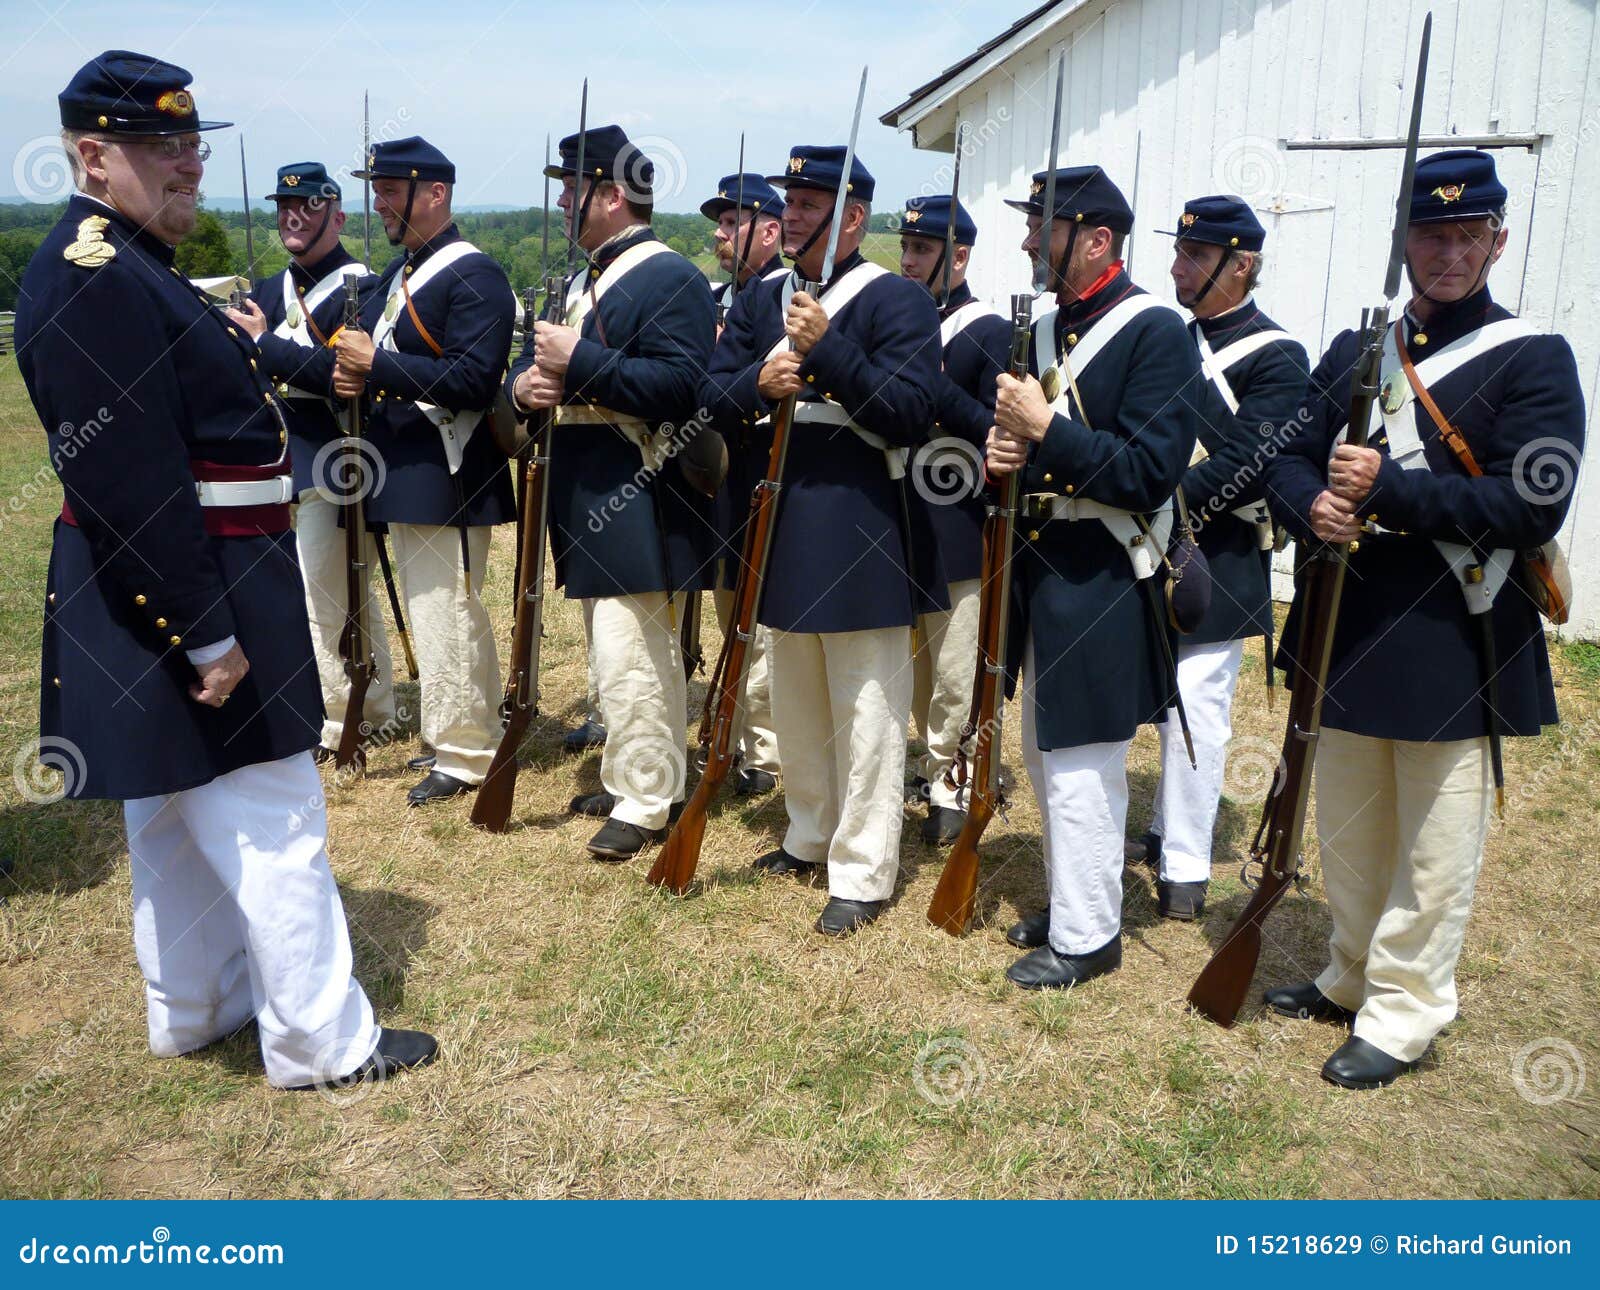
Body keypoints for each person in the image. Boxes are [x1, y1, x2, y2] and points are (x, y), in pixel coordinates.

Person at [15, 51, 434, 1089]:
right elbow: (130, 480)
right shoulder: (99, 277)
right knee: (276, 818)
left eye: (192, 144)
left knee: (168, 815)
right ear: (93, 157)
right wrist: (204, 632)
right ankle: (321, 1041)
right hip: (194, 579)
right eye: (161, 146)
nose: (188, 164)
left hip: (177, 576)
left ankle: (197, 1007)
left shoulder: (126, 262)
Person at [1264, 149, 1586, 1088]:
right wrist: (1309, 506)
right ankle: (1350, 970)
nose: (1449, 254)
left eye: (1467, 236)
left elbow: (1534, 501)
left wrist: (1390, 492)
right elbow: (1283, 455)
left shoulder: (1533, 356)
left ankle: (1405, 1010)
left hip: (1453, 628)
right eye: (1431, 236)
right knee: (1349, 823)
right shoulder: (1360, 350)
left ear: (1497, 242)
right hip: (1349, 617)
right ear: (1405, 243)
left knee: (1434, 842)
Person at [701, 144, 946, 936]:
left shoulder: (897, 300)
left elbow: (910, 411)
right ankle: (809, 832)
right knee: (797, 695)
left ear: (852, 218)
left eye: (810, 205)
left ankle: (865, 868)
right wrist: (757, 383)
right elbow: (709, 392)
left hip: (860, 522)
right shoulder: (763, 295)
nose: (793, 216)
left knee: (866, 705)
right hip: (780, 517)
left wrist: (827, 349)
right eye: (790, 203)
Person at [988, 166, 1201, 987]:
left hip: (1107, 571)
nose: (1027, 241)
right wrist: (1002, 452)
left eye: (1042, 227)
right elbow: (1025, 450)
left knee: (1082, 764)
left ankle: (1087, 937)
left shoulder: (1156, 331)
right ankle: (1075, 900)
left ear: (1097, 239)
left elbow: (1149, 472)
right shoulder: (1046, 329)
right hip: (1040, 568)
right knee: (1046, 757)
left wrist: (1045, 429)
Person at [508, 124, 718, 860]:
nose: (564, 202)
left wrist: (581, 362)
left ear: (614, 195)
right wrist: (526, 388)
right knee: (610, 654)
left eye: (574, 188)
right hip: (584, 481)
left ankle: (648, 800)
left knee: (635, 653)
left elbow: (684, 387)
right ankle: (632, 773)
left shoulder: (671, 278)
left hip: (638, 487)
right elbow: (534, 366)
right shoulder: (578, 281)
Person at [290, 136, 517, 805]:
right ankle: (467, 730)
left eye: (391, 190)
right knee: (441, 611)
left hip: (446, 469)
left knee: (446, 611)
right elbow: (344, 354)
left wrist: (377, 365)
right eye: (379, 191)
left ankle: (465, 751)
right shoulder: (400, 274)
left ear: (435, 193)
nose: (380, 204)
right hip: (404, 469)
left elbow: (475, 380)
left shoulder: (475, 275)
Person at [1123, 195, 1309, 919]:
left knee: (1197, 707)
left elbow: (1249, 462)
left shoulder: (1278, 355)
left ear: (1242, 265)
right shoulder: (1164, 338)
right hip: (1148, 543)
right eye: (1179, 252)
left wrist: (1150, 497)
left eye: (1196, 256)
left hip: (1220, 552)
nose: (1178, 267)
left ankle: (1186, 866)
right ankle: (1161, 828)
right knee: (1153, 696)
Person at [231, 162, 396, 763]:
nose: (292, 218)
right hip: (277, 460)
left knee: (326, 593)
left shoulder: (364, 288)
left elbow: (344, 376)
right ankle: (371, 705)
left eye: (306, 207)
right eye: (283, 208)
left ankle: (340, 717)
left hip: (338, 458)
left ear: (338, 215)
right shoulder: (268, 289)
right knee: (324, 591)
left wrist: (263, 344)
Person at [897, 192, 1011, 844]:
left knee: (955, 665)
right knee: (912, 664)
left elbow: (996, 433)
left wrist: (928, 386)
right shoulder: (895, 321)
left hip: (958, 520)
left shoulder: (987, 330)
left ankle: (956, 781)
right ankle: (930, 764)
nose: (909, 260)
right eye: (906, 247)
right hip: (899, 515)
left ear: (958, 257)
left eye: (923, 248)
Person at [699, 171, 787, 796]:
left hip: (767, 468)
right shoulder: (711, 297)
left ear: (771, 232)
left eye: (734, 223)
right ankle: (733, 732)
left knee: (766, 617)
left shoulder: (784, 296)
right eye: (721, 224)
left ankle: (768, 748)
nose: (721, 235)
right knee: (730, 606)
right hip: (720, 476)